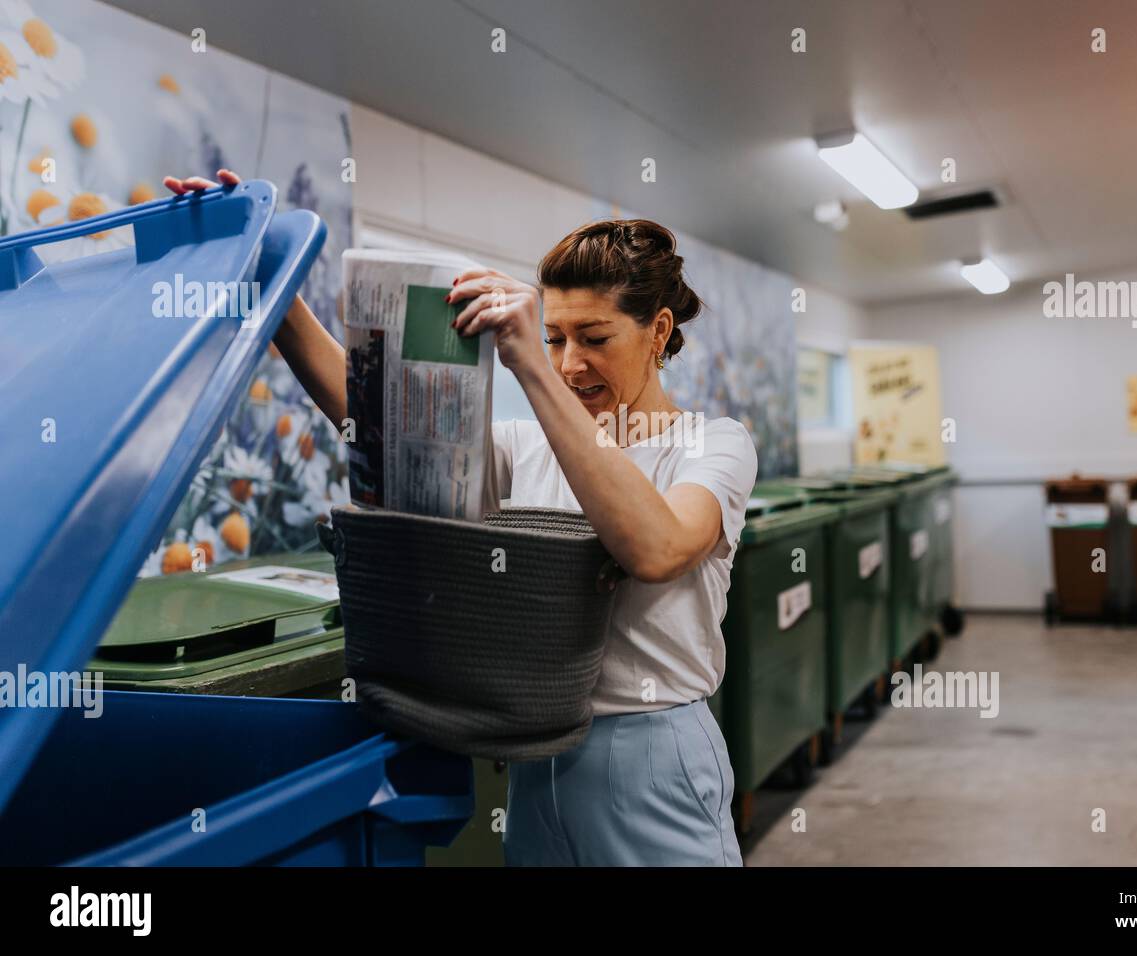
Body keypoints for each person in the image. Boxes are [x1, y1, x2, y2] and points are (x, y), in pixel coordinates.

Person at [164, 170, 757, 866]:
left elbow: (655, 548)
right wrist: (274, 290)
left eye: (593, 338)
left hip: (652, 754)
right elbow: (375, 423)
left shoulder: (714, 444)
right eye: (557, 338)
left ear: (658, 331)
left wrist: (528, 362)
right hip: (538, 749)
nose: (571, 365)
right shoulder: (527, 446)